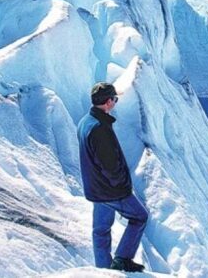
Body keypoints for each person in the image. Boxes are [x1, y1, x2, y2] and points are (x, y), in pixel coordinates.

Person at [77, 82, 148, 272]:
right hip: (111, 190)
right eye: (114, 99)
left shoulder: (85, 122)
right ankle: (122, 259)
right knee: (140, 217)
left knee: (100, 231)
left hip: (95, 189)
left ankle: (103, 270)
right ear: (108, 102)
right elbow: (109, 165)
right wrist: (123, 186)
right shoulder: (99, 128)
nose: (115, 102)